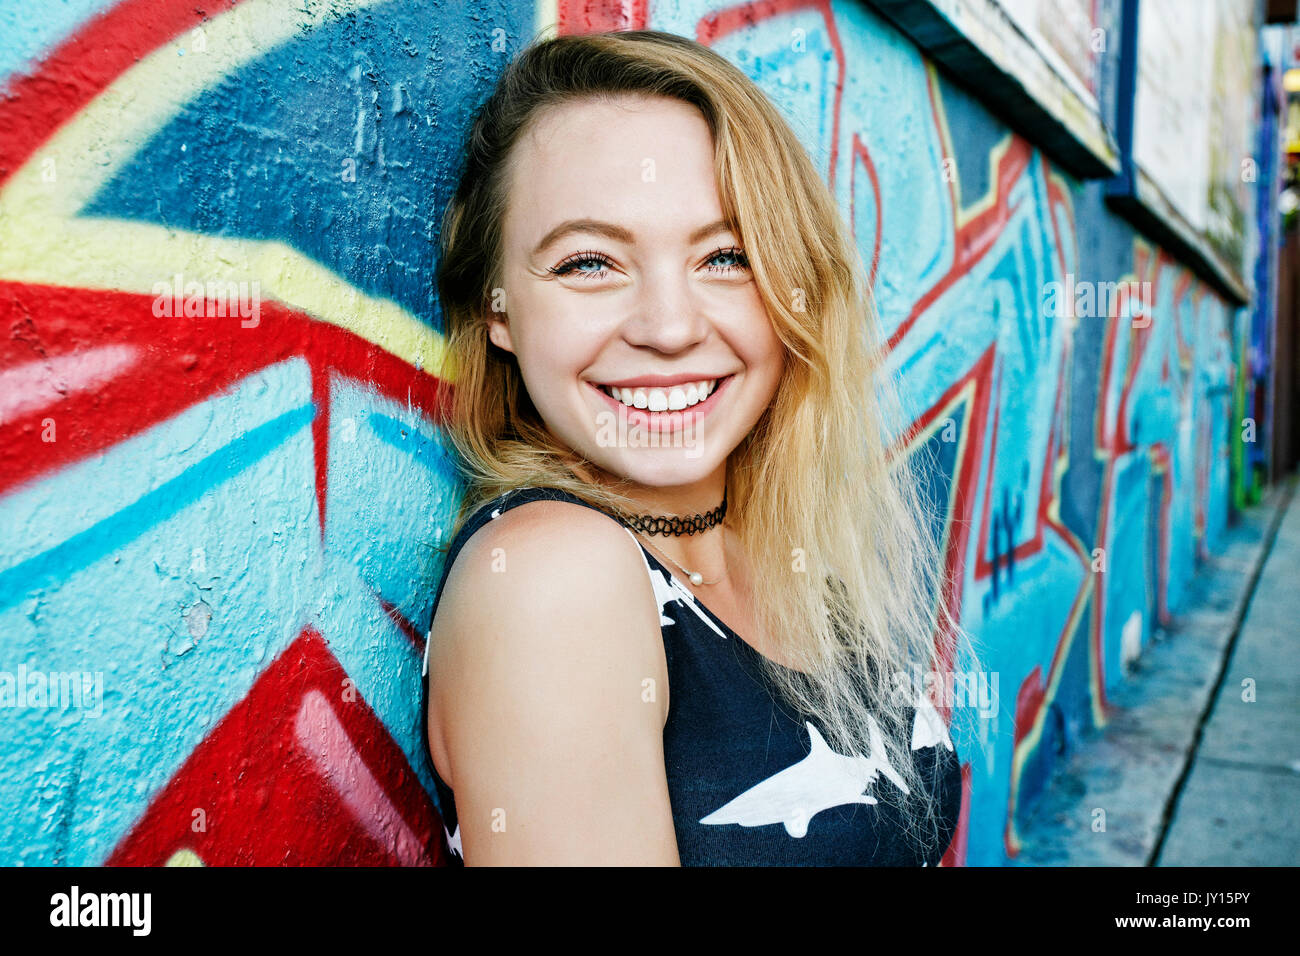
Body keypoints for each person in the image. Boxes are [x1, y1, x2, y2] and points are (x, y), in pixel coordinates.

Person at [421, 29, 973, 866]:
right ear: (497, 309)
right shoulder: (551, 578)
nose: (671, 329)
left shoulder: (783, 545)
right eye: (588, 264)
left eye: (725, 256)